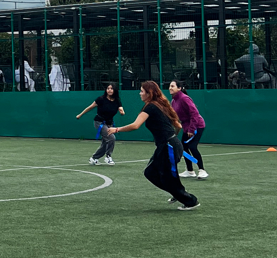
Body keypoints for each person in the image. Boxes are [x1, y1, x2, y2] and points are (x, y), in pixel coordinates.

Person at [113, 81, 200, 211]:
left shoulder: (151, 107)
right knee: (150, 172)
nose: (140, 93)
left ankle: (190, 201)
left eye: (142, 91)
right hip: (167, 145)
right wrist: (173, 139)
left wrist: (116, 129)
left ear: (149, 93)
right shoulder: (160, 105)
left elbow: (135, 125)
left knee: (168, 177)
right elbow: (178, 126)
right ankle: (178, 193)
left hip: (168, 147)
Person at [76, 82, 125, 165]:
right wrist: (80, 115)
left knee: (106, 142)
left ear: (114, 90)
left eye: (111, 88)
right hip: (99, 122)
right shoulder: (101, 99)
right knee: (111, 138)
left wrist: (122, 112)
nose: (109, 90)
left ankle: (94, 158)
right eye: (108, 88)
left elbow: (121, 109)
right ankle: (108, 157)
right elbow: (90, 107)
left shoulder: (117, 101)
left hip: (109, 123)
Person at [169, 79, 208, 179]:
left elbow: (194, 114)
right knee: (183, 147)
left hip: (197, 125)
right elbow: (175, 118)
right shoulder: (173, 101)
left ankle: (202, 170)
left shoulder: (185, 98)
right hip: (186, 127)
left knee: (192, 146)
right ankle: (190, 171)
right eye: (170, 86)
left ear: (179, 88)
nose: (170, 88)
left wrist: (192, 129)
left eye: (173, 86)